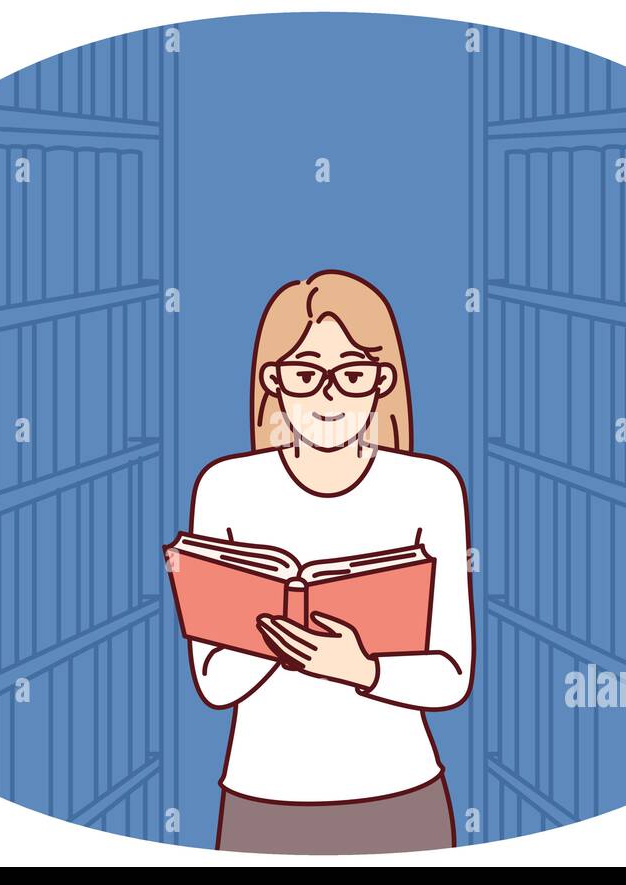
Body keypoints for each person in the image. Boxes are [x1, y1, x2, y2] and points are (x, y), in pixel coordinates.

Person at [187, 269, 475, 854]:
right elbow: (214, 683)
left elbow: (452, 676)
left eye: (351, 374)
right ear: (274, 381)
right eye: (305, 374)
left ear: (381, 381)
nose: (327, 396)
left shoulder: (429, 487)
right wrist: (277, 633)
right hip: (262, 798)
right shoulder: (227, 487)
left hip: (401, 795)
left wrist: (360, 669)